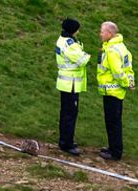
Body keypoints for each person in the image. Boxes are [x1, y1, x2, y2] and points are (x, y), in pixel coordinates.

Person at [96, 21, 134, 161]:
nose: (100, 34)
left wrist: (125, 83)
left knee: (112, 122)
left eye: (102, 31)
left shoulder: (111, 50)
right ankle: (113, 148)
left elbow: (117, 72)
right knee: (114, 121)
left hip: (111, 91)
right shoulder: (121, 47)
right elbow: (128, 68)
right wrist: (130, 82)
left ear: (109, 34)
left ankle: (115, 152)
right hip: (118, 91)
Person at [56, 18, 91, 156]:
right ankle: (67, 143)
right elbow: (82, 60)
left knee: (66, 113)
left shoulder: (63, 40)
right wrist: (86, 54)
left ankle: (64, 140)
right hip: (71, 83)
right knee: (70, 114)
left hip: (66, 82)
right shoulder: (70, 44)